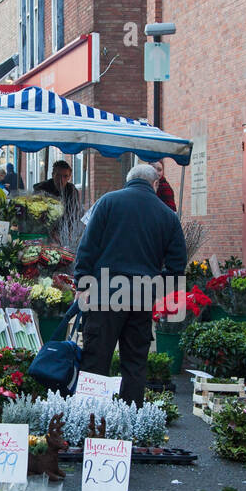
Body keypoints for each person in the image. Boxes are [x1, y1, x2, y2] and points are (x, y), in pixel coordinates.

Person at [74, 162, 187, 407]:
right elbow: (177, 265)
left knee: (96, 359)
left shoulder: (107, 202)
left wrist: (81, 283)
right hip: (141, 297)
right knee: (135, 363)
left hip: (105, 295)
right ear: (154, 183)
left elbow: (87, 247)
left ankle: (88, 416)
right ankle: (129, 421)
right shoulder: (167, 215)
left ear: (128, 180)